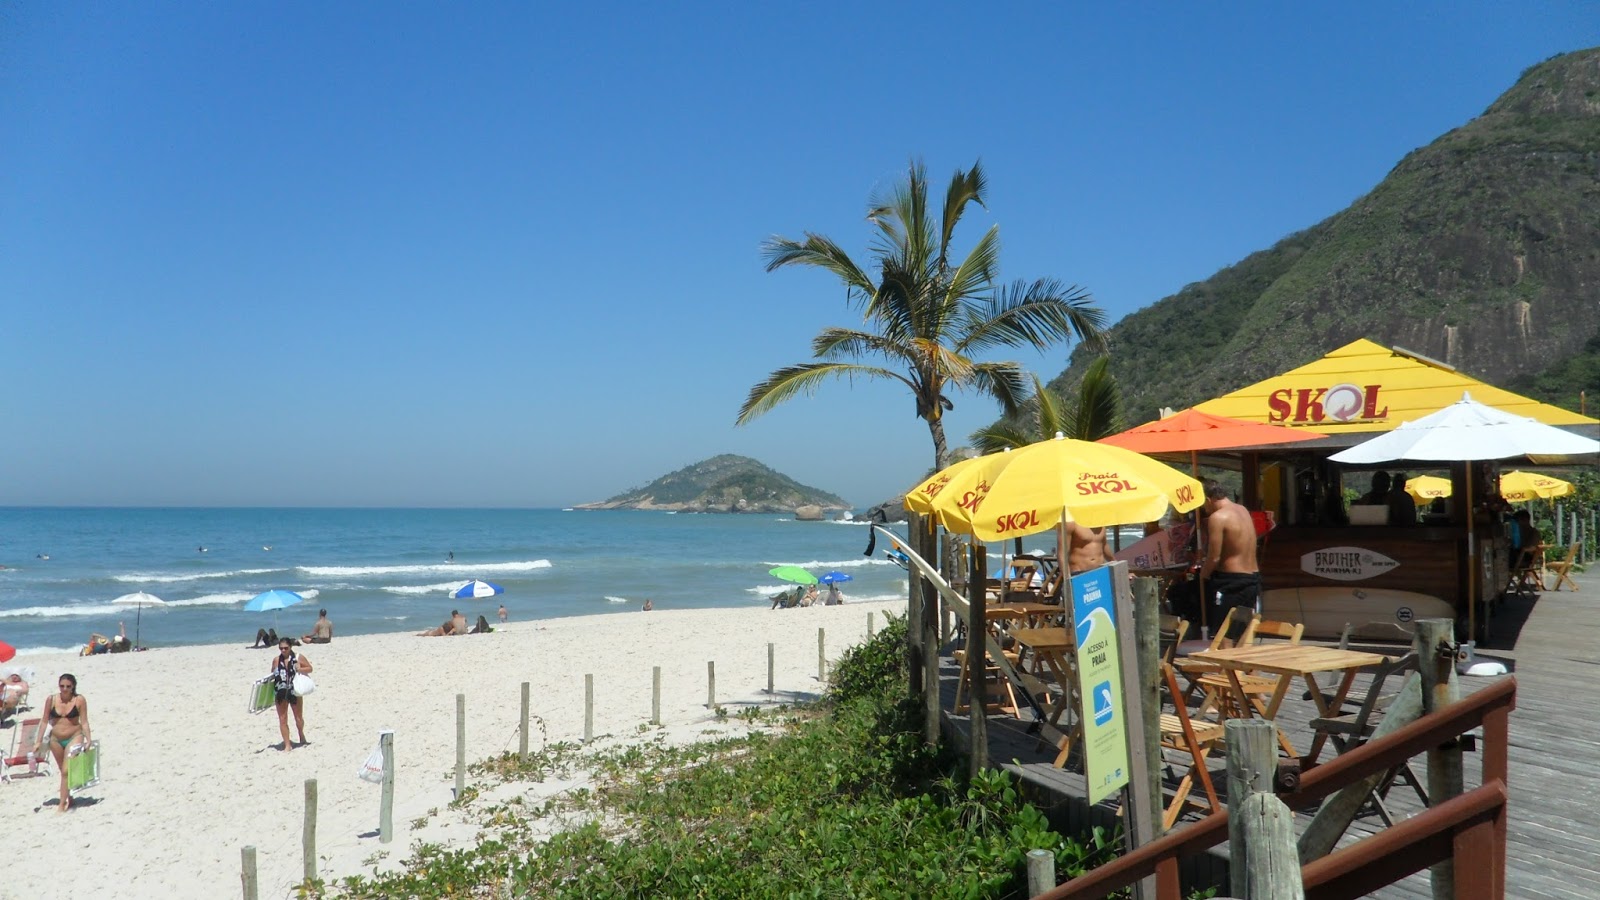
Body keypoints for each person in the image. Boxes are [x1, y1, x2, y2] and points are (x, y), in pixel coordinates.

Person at [1198, 479, 1261, 645]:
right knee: (1242, 630)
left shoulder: (1218, 517)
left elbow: (1214, 557)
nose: (1204, 509)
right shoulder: (1242, 510)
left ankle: (1227, 670)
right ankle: (1243, 669)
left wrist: (1202, 576)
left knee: (1223, 633)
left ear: (1208, 499)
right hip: (1252, 578)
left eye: (1202, 505)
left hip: (1230, 581)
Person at [33, 673, 90, 812]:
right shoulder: (51, 699)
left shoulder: (79, 700)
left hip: (74, 736)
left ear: (73, 687)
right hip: (55, 739)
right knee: (63, 770)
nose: (64, 689)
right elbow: (45, 721)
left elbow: (84, 721)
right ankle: (69, 797)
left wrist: (88, 739)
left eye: (68, 686)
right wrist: (38, 741)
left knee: (65, 771)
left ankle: (61, 805)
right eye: (62, 686)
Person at [269, 638, 312, 751]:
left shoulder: (298, 657)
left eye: (285, 648)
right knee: (282, 719)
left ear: (291, 647)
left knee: (298, 718)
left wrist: (300, 668)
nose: (283, 650)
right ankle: (287, 744)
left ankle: (301, 733)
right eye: (281, 648)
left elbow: (310, 668)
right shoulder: (276, 660)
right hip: (281, 692)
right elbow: (272, 675)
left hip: (295, 691)